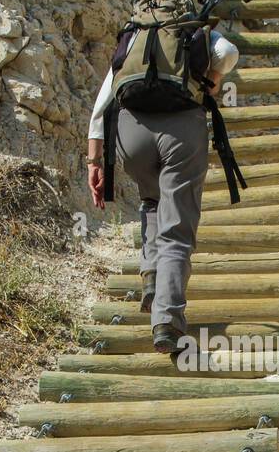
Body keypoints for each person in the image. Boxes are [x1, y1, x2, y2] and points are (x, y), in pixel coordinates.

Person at [86, 17, 240, 354]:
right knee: (178, 228)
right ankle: (167, 320)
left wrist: (94, 159)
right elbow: (227, 52)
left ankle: (151, 279)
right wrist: (214, 77)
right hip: (181, 133)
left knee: (152, 200)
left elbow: (105, 98)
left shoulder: (136, 38)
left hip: (131, 133)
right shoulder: (193, 32)